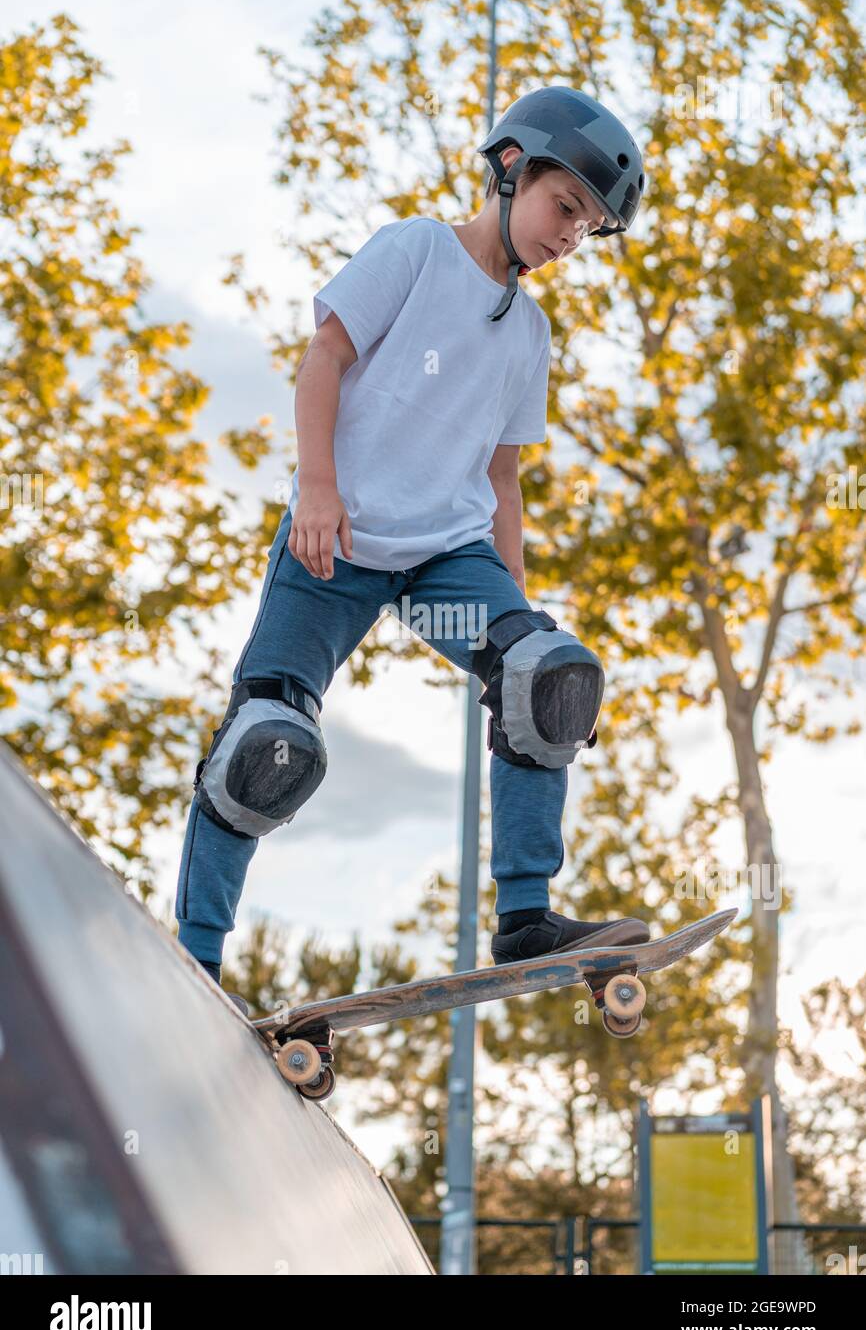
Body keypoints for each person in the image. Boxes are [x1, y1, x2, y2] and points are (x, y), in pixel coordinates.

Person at [175, 85, 651, 997]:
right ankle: (194, 960)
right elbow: (325, 357)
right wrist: (318, 488)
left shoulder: (531, 334)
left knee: (547, 679)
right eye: (565, 209)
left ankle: (524, 918)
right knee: (264, 746)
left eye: (589, 228)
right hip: (337, 541)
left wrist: (516, 624)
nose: (569, 237)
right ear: (512, 169)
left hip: (446, 556)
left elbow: (502, 478)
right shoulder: (417, 250)